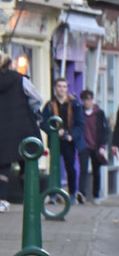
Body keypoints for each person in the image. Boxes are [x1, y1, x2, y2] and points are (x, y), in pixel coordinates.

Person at [0, 50, 42, 212]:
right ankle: (31, 199)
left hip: (2, 130)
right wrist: (32, 111)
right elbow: (37, 97)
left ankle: (2, 200)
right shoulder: (19, 79)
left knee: (2, 165)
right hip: (23, 127)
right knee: (28, 162)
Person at [40, 77, 85, 204]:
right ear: (55, 88)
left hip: (69, 140)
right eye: (60, 86)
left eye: (64, 87)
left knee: (70, 166)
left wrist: (72, 135)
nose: (62, 89)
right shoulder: (49, 105)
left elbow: (80, 123)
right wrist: (53, 131)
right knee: (54, 167)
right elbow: (43, 122)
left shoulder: (74, 104)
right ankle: (53, 194)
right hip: (55, 140)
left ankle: (72, 194)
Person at [77, 90, 110, 203]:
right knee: (83, 169)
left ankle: (96, 195)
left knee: (97, 171)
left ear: (93, 100)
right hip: (84, 145)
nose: (87, 102)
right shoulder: (79, 113)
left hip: (96, 146)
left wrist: (102, 146)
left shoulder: (99, 113)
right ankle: (82, 193)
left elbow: (106, 131)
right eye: (85, 100)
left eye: (89, 99)